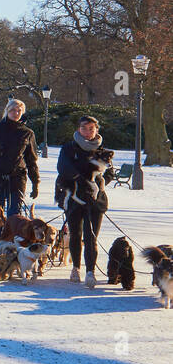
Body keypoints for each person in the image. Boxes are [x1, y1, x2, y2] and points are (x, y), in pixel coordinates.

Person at [55, 114, 115, 287]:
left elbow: (109, 173)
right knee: (75, 234)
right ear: (78, 129)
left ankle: (90, 271)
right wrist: (82, 182)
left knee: (91, 236)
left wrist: (99, 183)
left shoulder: (103, 149)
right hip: (73, 196)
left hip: (96, 199)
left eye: (91, 129)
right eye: (84, 128)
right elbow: (63, 168)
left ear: (96, 130)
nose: (88, 132)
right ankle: (75, 267)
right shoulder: (68, 148)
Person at [0, 98, 40, 244]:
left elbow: (31, 160)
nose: (16, 113)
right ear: (7, 111)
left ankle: (11, 244)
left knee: (14, 215)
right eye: (13, 110)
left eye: (19, 110)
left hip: (17, 178)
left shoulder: (27, 133)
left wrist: (35, 182)